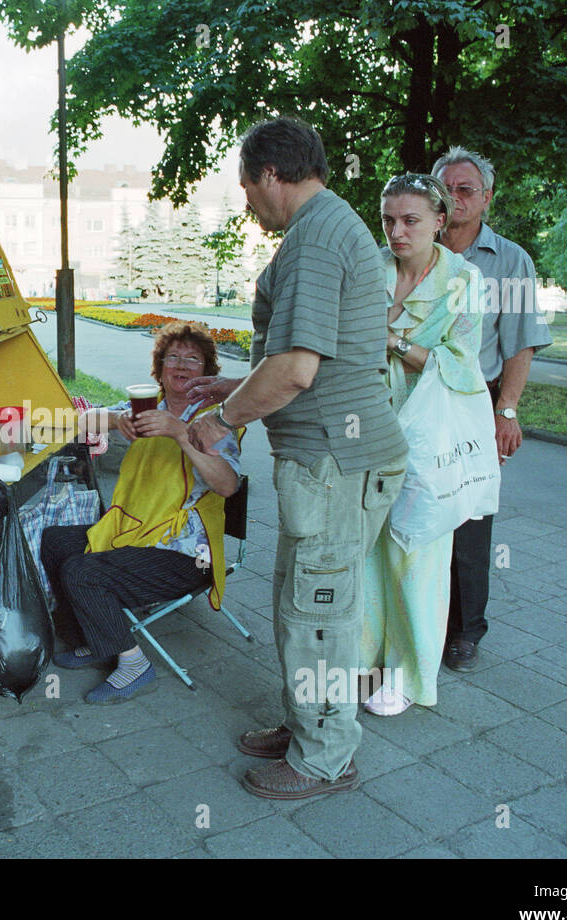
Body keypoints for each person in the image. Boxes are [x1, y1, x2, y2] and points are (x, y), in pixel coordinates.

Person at [187, 117, 407, 800]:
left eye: (247, 186)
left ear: (272, 176)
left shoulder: (314, 237)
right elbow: (298, 363)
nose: (247, 201)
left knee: (318, 614)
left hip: (338, 464)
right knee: (303, 604)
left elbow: (297, 369)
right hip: (331, 462)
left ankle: (325, 757)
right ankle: (308, 723)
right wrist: (234, 386)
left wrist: (221, 421)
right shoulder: (327, 227)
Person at [40, 322, 242, 704]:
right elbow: (81, 423)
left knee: (82, 572)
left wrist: (180, 433)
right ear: (160, 368)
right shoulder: (149, 407)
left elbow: (228, 485)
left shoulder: (215, 420)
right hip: (137, 533)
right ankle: (96, 639)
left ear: (207, 372)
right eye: (172, 357)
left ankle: (134, 663)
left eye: (192, 359)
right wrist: (116, 421)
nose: (181, 365)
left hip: (185, 554)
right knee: (55, 540)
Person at [360, 174, 486, 716]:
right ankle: (364, 662)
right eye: (389, 219)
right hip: (365, 429)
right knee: (365, 549)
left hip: (427, 437)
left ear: (441, 219)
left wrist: (391, 339)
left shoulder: (463, 280)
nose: (396, 231)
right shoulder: (370, 270)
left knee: (417, 554)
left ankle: (410, 677)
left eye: (410, 219)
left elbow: (459, 364)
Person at [432, 147, 552, 672]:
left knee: (470, 517)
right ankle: (418, 620)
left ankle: (465, 631)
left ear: (487, 198)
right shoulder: (409, 241)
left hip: (473, 401)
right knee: (411, 512)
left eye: (466, 189)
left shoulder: (510, 260)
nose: (455, 198)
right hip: (410, 400)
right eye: (447, 189)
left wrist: (506, 411)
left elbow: (520, 343)